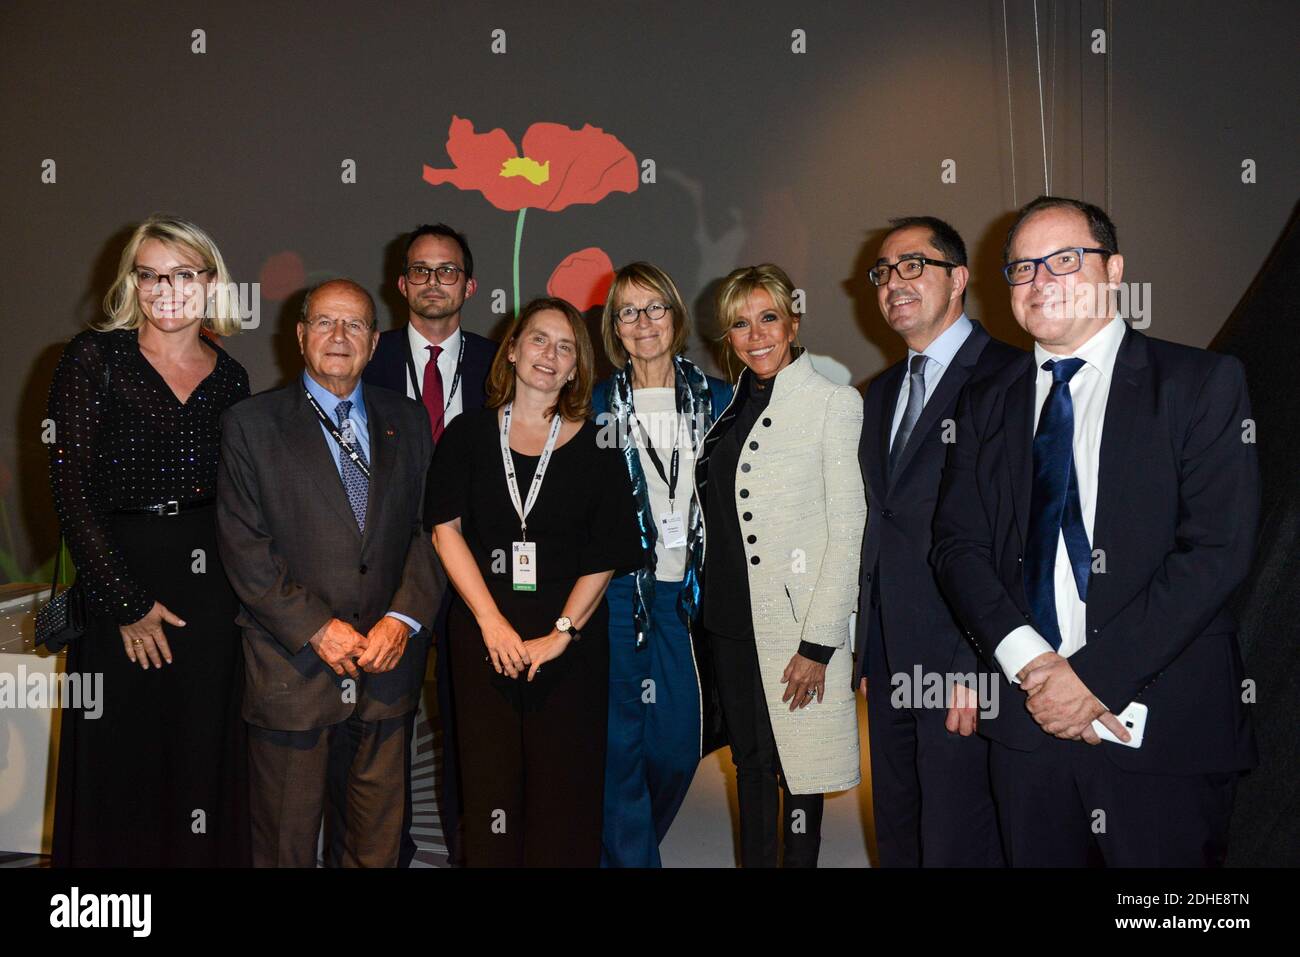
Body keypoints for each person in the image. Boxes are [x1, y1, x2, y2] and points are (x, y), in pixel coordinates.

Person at [932, 196, 1260, 866]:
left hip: (1160, 728)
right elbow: (957, 547)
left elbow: (1216, 552)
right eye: (1023, 267)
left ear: (1113, 270)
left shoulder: (1200, 383)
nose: (1040, 279)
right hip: (1027, 723)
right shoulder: (983, 402)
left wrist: (1092, 680)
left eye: (1064, 259)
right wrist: (1034, 667)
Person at [217, 278, 444, 867]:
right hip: (293, 671)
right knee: (285, 845)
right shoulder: (251, 424)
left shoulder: (409, 420)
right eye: (324, 322)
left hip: (387, 667)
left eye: (354, 325)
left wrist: (402, 619)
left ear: (374, 341)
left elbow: (431, 531)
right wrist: (317, 628)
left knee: (376, 847)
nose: (339, 336)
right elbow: (245, 548)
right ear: (300, 335)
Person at [47, 214, 251, 866]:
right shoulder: (93, 358)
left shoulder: (232, 377)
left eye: (183, 274)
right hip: (119, 580)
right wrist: (127, 603)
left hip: (211, 592)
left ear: (211, 281)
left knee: (201, 749)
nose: (167, 289)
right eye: (151, 275)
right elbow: (72, 494)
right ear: (133, 282)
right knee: (122, 757)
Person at [426, 297, 641, 867]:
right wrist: (491, 622)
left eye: (566, 347)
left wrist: (562, 633)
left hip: (569, 646)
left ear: (575, 369)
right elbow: (445, 531)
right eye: (539, 339)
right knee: (489, 788)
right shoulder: (467, 434)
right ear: (513, 350)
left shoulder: (600, 442)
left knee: (565, 793)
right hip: (483, 638)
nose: (550, 354)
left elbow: (606, 554)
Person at [853, 217, 1020, 866]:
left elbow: (1017, 536)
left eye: (913, 265)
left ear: (958, 279)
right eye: (883, 272)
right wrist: (869, 650)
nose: (893, 281)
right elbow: (881, 523)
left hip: (964, 659)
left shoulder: (1011, 376)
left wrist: (982, 662)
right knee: (899, 828)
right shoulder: (880, 392)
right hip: (889, 656)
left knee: (960, 839)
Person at [696, 264, 865, 867]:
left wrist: (818, 645)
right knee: (750, 763)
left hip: (796, 629)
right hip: (728, 620)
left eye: (768, 318)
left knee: (800, 769)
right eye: (740, 324)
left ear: (793, 322)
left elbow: (847, 533)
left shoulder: (833, 403)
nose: (756, 335)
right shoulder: (727, 409)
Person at [591, 262, 734, 868]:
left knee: (676, 749)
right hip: (616, 595)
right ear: (614, 327)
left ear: (675, 318)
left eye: (655, 308)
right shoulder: (594, 405)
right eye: (628, 311)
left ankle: (624, 849)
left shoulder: (719, 400)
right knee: (618, 750)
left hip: (688, 598)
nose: (643, 321)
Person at [361, 222, 495, 866]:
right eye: (421, 270)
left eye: (447, 271)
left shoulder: (502, 362)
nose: (433, 281)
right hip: (389, 567)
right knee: (384, 725)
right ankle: (391, 851)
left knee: (472, 724)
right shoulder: (367, 356)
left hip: (479, 567)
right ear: (401, 283)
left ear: (469, 285)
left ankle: (470, 852)